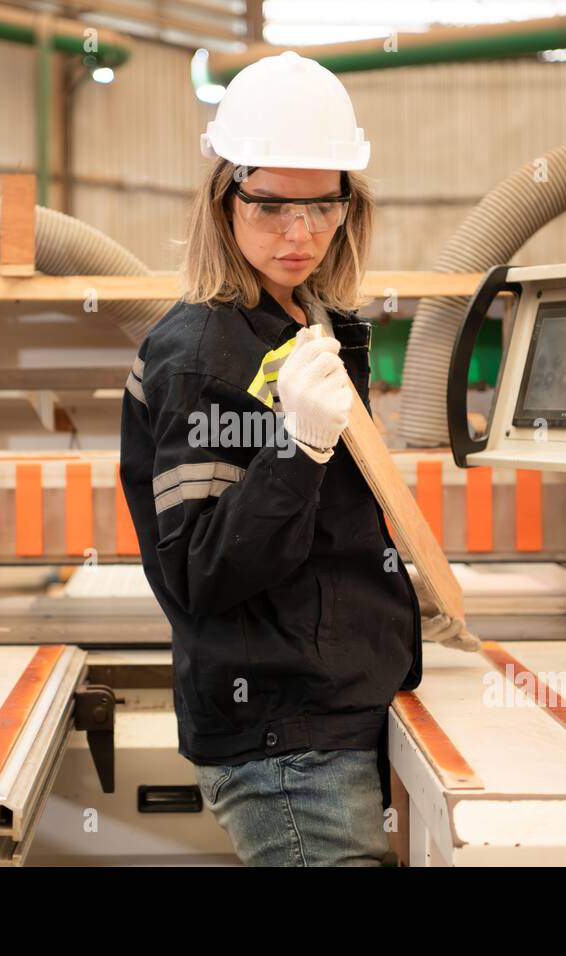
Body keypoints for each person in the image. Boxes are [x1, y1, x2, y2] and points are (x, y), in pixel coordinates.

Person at [118, 50, 422, 866]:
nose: (301, 234)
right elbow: (200, 572)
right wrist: (300, 448)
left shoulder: (301, 321)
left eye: (324, 206)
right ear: (224, 201)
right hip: (288, 747)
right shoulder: (201, 357)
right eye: (271, 207)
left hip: (333, 716)